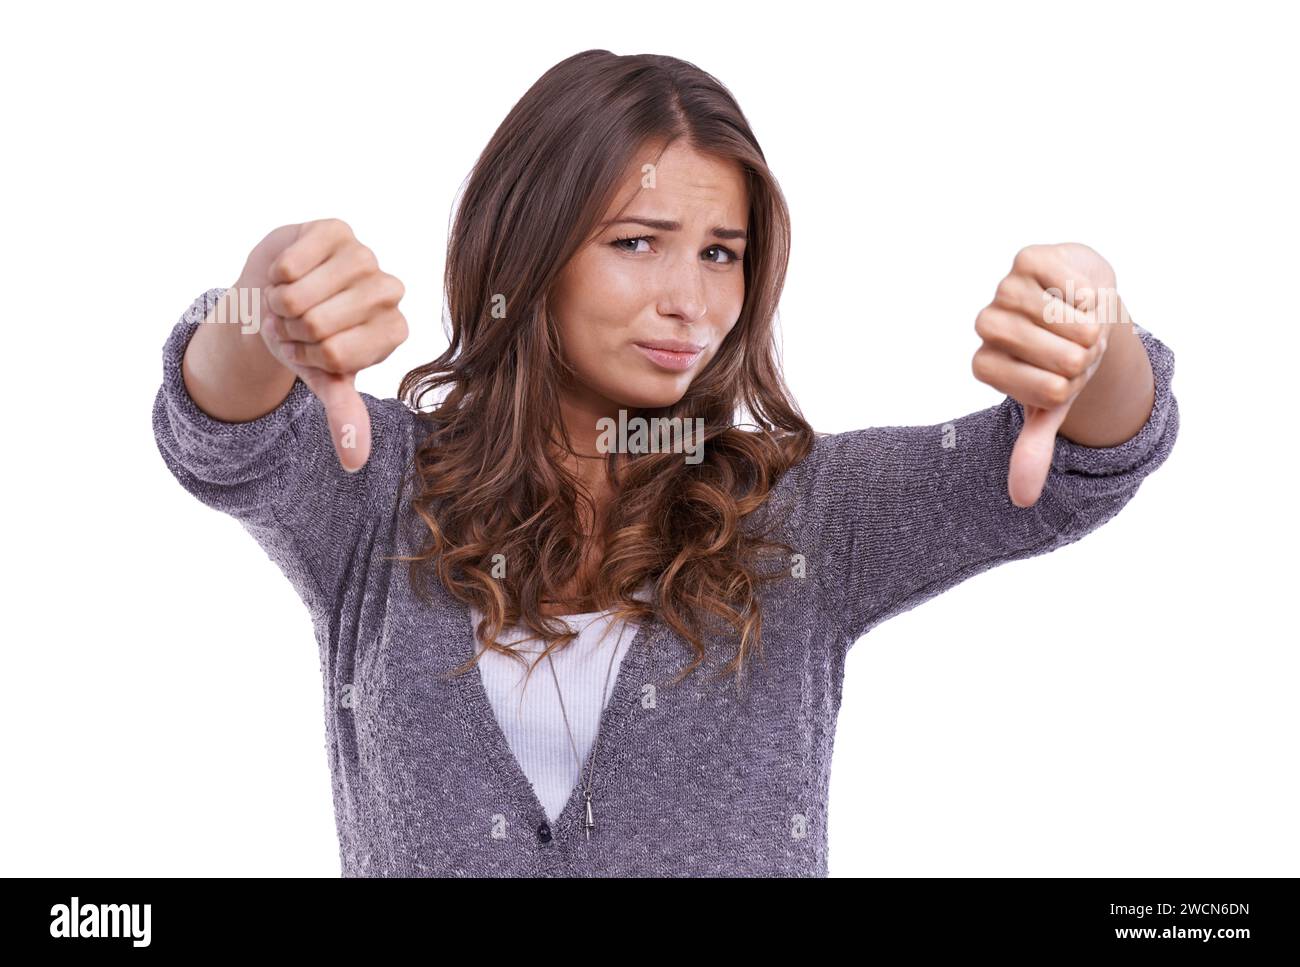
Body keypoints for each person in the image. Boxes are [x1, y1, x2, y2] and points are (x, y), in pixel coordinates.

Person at [152, 49, 1179, 877]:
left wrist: (1097, 321)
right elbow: (223, 426)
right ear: (527, 247)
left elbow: (1085, 457)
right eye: (639, 242)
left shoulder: (799, 513)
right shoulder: (375, 489)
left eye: (721, 252)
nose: (690, 301)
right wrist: (262, 300)